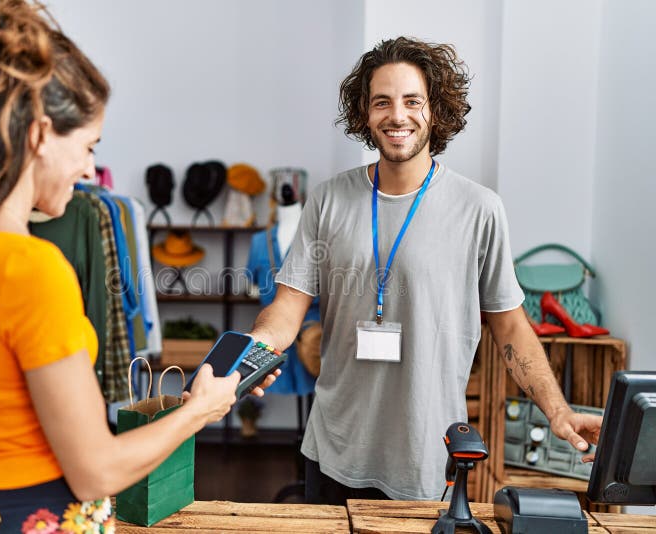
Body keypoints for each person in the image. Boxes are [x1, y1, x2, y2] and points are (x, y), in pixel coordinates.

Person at [0, 1, 274, 532]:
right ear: (39, 135)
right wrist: (200, 411)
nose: (89, 170)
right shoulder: (32, 269)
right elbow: (96, 471)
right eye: (87, 146)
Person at [249, 36, 602, 504]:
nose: (397, 115)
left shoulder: (479, 209)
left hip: (425, 457)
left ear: (435, 109)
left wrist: (557, 411)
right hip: (333, 448)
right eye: (382, 102)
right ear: (364, 112)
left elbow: (511, 326)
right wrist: (254, 350)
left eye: (412, 101)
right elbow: (288, 306)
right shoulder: (329, 200)